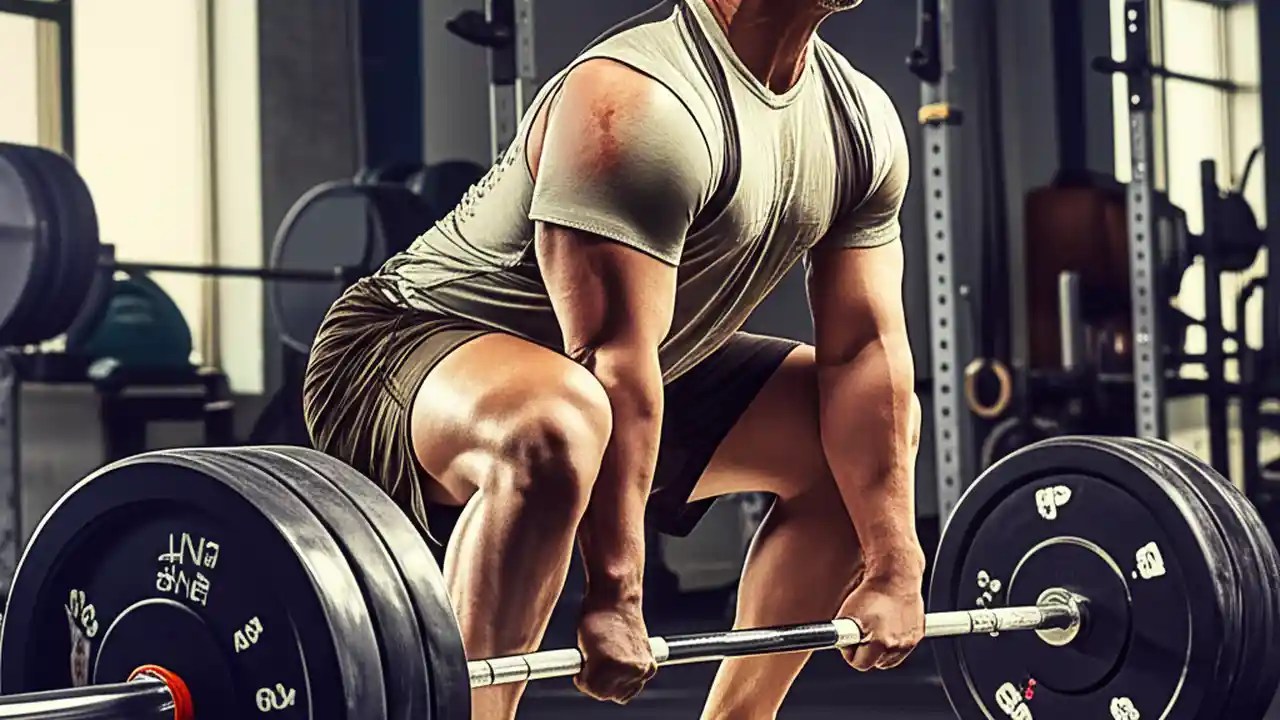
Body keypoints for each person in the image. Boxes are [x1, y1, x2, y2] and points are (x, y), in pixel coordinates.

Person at [303, 0, 925, 717]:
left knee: (852, 430)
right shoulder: (636, 101)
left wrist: (894, 561)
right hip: (397, 349)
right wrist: (616, 596)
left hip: (624, 373)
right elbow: (609, 360)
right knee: (557, 421)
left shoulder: (857, 121)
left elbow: (864, 355)